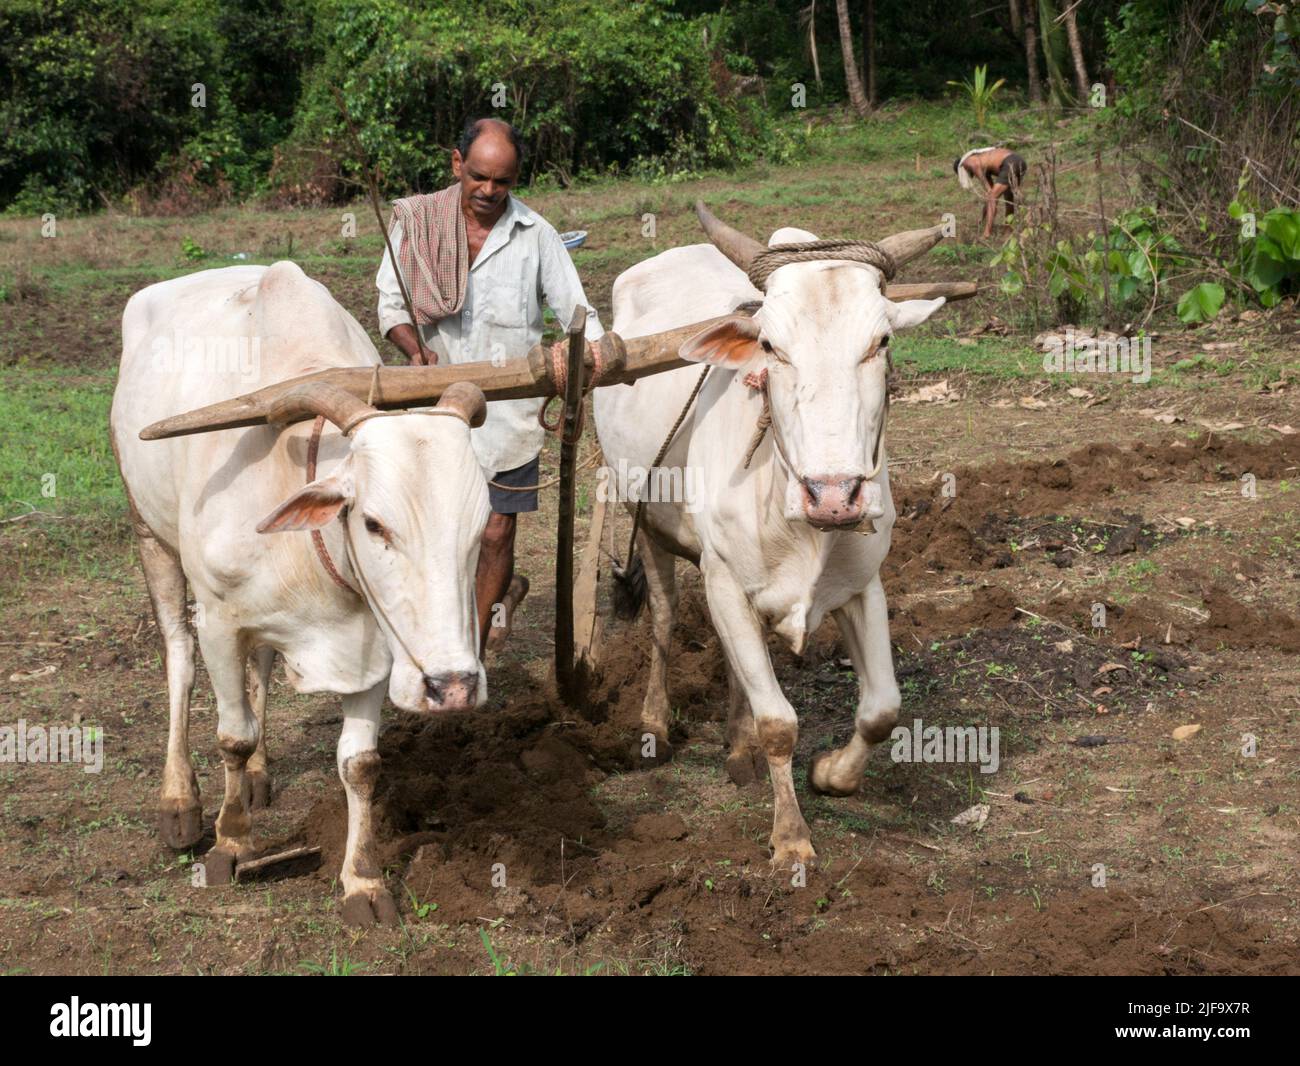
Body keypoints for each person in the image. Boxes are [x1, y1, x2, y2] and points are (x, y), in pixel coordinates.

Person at [376, 117, 605, 655]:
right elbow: (390, 305)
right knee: (441, 535)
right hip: (435, 411)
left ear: (516, 178)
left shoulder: (536, 236)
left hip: (509, 418)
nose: (488, 190)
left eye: (502, 181)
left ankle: (472, 652)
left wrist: (595, 356)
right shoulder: (417, 223)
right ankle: (481, 604)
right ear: (457, 164)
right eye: (478, 176)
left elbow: (578, 312)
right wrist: (414, 350)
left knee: (497, 532)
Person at [953, 146, 1027, 237]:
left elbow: (975, 165)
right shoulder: (984, 162)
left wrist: (988, 190)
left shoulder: (966, 161)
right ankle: (1008, 228)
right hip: (1019, 162)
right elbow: (991, 191)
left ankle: (986, 233)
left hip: (1009, 162)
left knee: (992, 197)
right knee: (1008, 198)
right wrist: (983, 218)